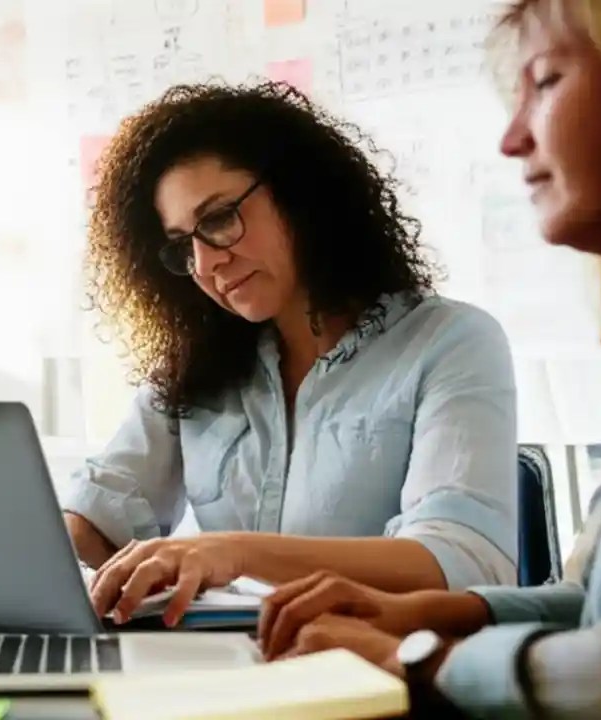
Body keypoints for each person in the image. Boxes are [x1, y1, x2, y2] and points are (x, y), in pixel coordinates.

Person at [258, 1, 601, 716]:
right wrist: (430, 613)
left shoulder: (449, 337)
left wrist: (417, 659)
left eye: (546, 82)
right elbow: (599, 601)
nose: (512, 139)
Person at [68, 81, 520, 627]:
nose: (206, 264)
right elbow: (99, 518)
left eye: (218, 219)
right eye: (184, 245)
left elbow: (464, 562)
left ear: (302, 194)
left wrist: (233, 553)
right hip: (225, 663)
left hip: (372, 664)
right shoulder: (196, 366)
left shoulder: (451, 341)